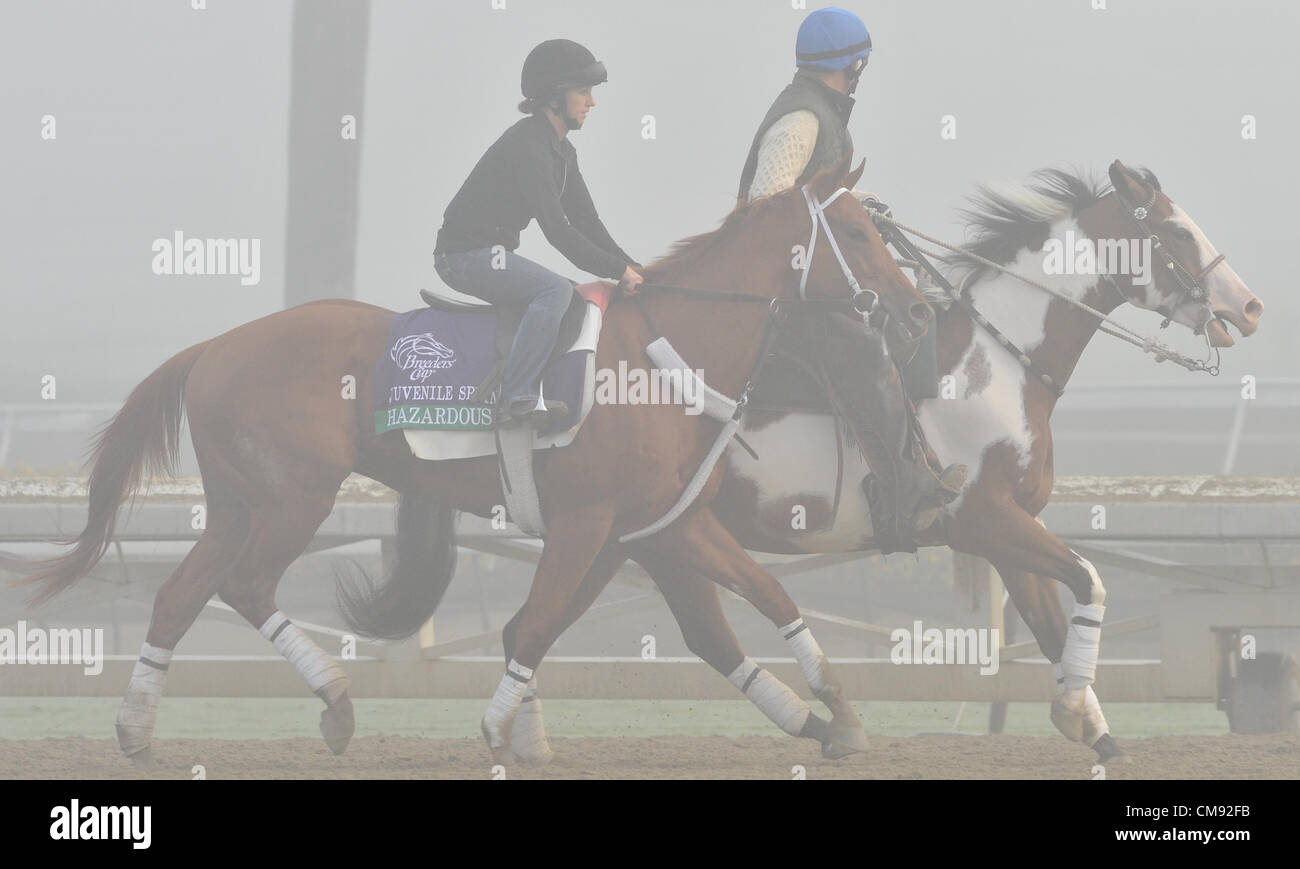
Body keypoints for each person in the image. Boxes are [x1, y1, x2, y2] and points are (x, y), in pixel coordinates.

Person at [737, 7, 965, 545]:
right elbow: (766, 204)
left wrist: (859, 206)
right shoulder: (804, 119)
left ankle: (919, 460)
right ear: (854, 64)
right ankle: (901, 489)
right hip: (783, 291)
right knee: (869, 349)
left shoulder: (822, 111)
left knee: (918, 313)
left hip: (805, 279)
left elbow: (812, 197)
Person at [435, 39, 643, 428]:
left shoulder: (562, 152)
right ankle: (517, 398)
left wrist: (631, 266)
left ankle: (543, 388)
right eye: (584, 91)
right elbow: (559, 232)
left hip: (489, 253)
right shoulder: (528, 144)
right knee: (554, 290)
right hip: (461, 258)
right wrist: (617, 270)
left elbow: (588, 224)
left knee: (570, 296)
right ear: (553, 97)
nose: (592, 102)